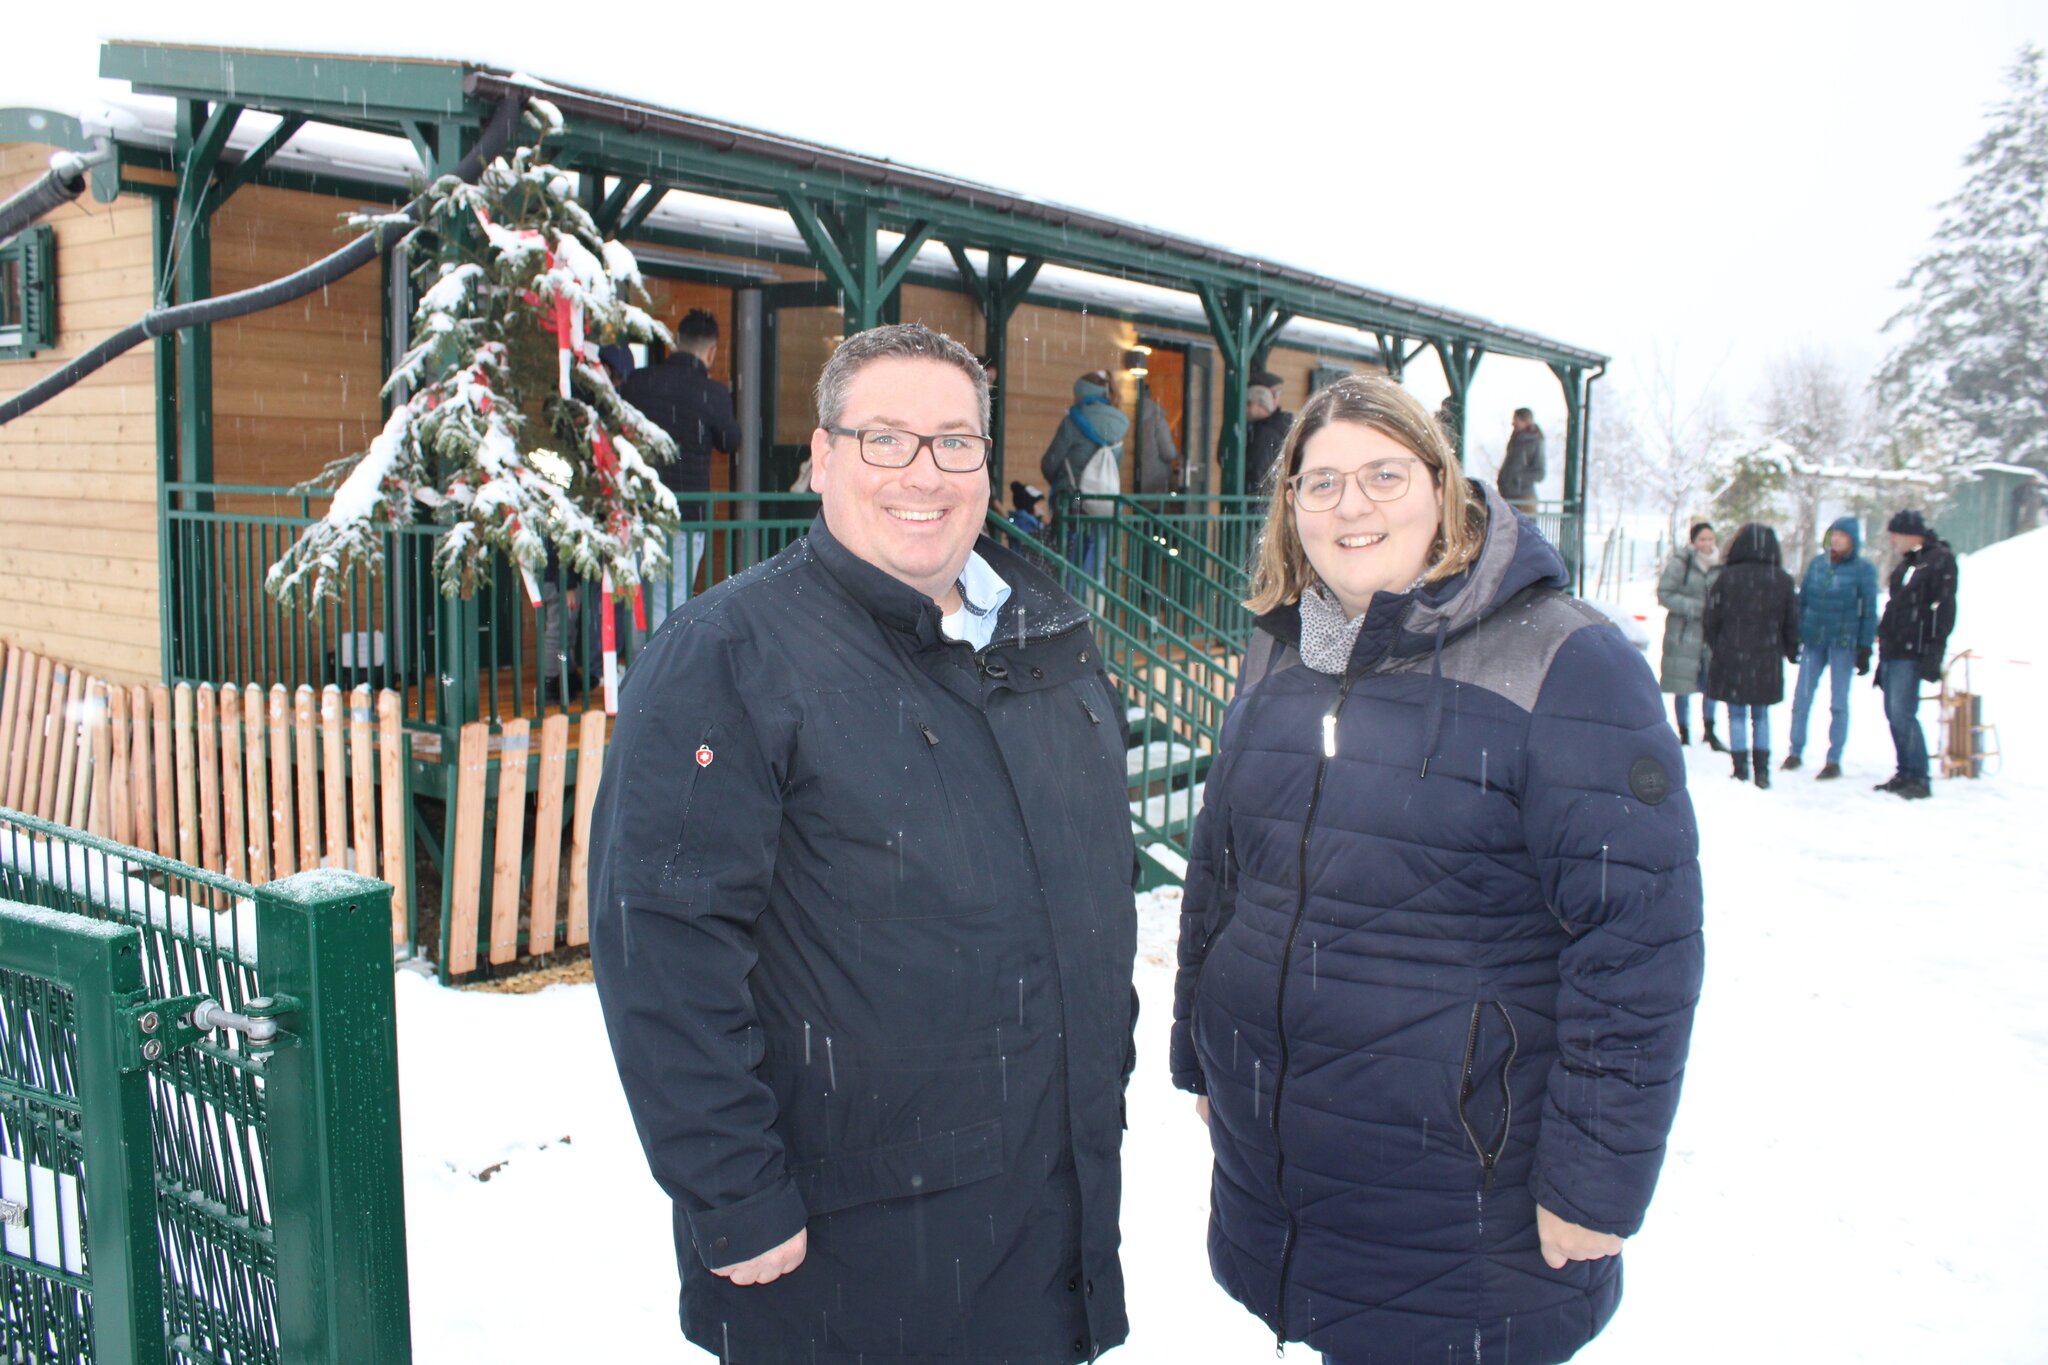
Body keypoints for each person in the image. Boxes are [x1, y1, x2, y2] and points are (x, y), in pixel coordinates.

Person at [589, 323, 1138, 1365]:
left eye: (954, 442)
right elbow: (661, 947)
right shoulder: (729, 659)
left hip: (1044, 1216)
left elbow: (1090, 894)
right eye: (883, 439)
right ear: (822, 456)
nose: (921, 474)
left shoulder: (1046, 640)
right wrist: (732, 1194)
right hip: (853, 1251)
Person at [1171, 375, 1702, 1365]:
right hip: (1293, 1162)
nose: (1350, 505)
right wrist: (1203, 1048)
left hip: (1465, 1183)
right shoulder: (1284, 646)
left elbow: (1634, 945)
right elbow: (1221, 865)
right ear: (1288, 506)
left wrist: (1593, 1185)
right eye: (1318, 482)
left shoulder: (1564, 660)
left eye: (1382, 473)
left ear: (1442, 482)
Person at [621, 308, 741, 627]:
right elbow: (730, 440)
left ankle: (637, 670)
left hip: (638, 511)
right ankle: (659, 674)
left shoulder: (639, 382)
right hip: (685, 516)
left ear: (677, 340)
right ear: (712, 351)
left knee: (637, 603)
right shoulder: (711, 393)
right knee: (670, 604)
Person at [1702, 523, 1801, 788]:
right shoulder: (1781, 580)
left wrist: (1719, 644)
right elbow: (1791, 622)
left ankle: (1740, 767)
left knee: (1735, 714)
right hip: (1766, 658)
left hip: (1732, 654)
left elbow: (1711, 619)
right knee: (1761, 715)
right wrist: (1790, 649)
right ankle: (1763, 771)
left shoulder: (1727, 577)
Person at [1783, 516, 1879, 779]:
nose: (1836, 540)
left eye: (1842, 536)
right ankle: (1795, 750)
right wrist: (1795, 634)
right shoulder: (1817, 565)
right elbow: (1802, 602)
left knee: (1838, 703)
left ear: (1852, 540)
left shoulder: (1863, 569)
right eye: (1833, 535)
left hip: (1843, 643)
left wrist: (1864, 646)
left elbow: (1869, 610)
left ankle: (1834, 758)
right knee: (1801, 698)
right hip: (1814, 641)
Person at [1873, 508, 1959, 799]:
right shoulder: (1910, 562)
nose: (1893, 540)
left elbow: (1943, 608)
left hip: (1913, 648)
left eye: (1896, 534)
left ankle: (1919, 776)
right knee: (1893, 713)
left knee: (1903, 712)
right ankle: (1905, 771)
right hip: (1894, 647)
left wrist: (1934, 650)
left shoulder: (1938, 560)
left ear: (1911, 534)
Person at [1039, 369, 1130, 578]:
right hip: (1104, 503)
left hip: (1075, 500)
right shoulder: (1119, 425)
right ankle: (1094, 607)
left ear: (1081, 393)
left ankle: (1069, 607)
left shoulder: (1074, 420)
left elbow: (1050, 462)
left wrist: (1060, 482)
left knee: (1067, 563)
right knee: (1095, 564)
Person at [1656, 521, 1725, 749]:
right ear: (1693, 542)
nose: (1707, 544)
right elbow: (1665, 593)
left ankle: (1709, 729)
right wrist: (1696, 607)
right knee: (1683, 683)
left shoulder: (1721, 565)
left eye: (1710, 539)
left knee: (1712, 681)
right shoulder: (1682, 563)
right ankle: (1683, 731)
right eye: (1702, 539)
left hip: (1711, 633)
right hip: (1684, 632)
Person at [1242, 383, 1293, 495]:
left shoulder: (1264, 433)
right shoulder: (1280, 426)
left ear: (1260, 405)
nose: (1245, 409)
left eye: (1248, 404)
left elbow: (1260, 468)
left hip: (1259, 500)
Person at [1133, 386, 1181, 495]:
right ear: (1150, 395)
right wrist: (1178, 453)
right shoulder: (1157, 419)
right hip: (1155, 480)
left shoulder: (1128, 413)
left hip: (1130, 480)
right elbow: (1168, 453)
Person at [1499, 406, 1546, 513]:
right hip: (1507, 496)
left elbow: (1540, 473)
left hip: (1524, 499)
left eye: (1516, 420)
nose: (1513, 423)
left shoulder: (1536, 441)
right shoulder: (1514, 440)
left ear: (1525, 421)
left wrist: (1518, 478)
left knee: (1525, 528)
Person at [1008, 478, 1049, 546]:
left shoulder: (1019, 517)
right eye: (1038, 504)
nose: (1041, 507)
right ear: (1029, 504)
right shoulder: (1025, 520)